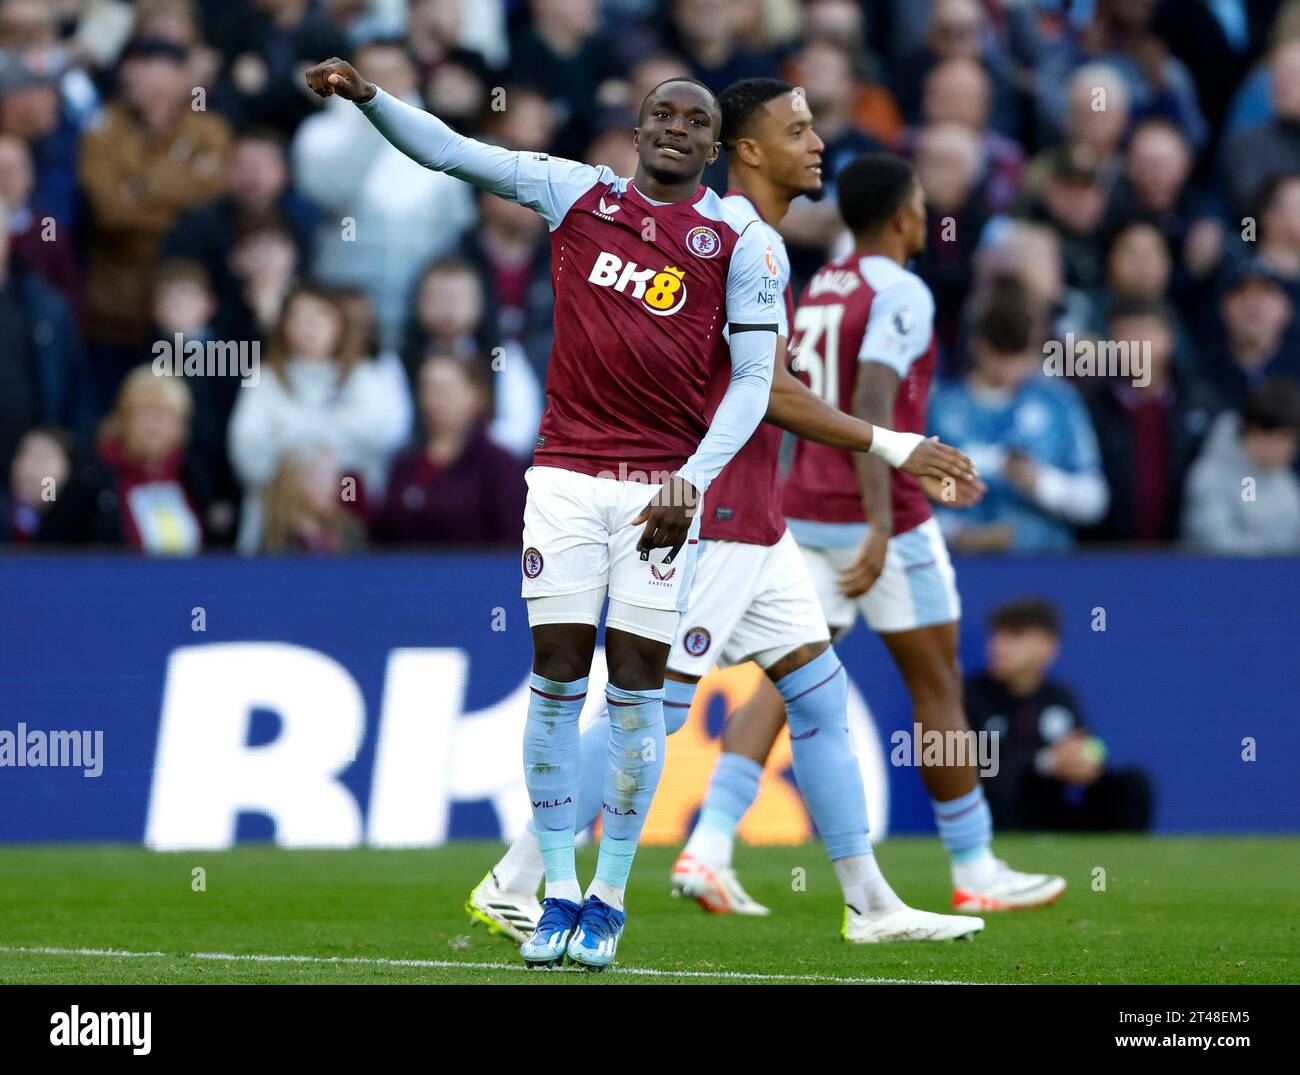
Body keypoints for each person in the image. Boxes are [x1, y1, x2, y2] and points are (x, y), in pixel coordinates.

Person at [466, 81, 982, 949]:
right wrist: (894, 446)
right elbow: (771, 391)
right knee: (649, 711)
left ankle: (869, 900)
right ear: (745, 149)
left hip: (762, 513)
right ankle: (518, 876)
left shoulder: (764, 241)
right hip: (713, 509)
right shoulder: (738, 238)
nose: (818, 143)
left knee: (817, 692)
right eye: (798, 129)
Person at [303, 57, 784, 971]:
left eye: (694, 122)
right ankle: (556, 890)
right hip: (563, 477)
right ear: (638, 132)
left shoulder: (741, 243)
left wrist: (692, 479)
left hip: (658, 489)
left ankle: (610, 896)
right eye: (661, 116)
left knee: (639, 695)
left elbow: (755, 381)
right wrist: (371, 98)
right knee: (559, 674)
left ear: (716, 147)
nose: (676, 129)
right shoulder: (575, 194)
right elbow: (450, 151)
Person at [681, 153, 1066, 916]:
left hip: (804, 506)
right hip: (875, 517)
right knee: (938, 686)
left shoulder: (823, 281)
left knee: (786, 680)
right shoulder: (903, 289)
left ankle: (710, 843)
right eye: (921, 201)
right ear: (901, 215)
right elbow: (872, 393)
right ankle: (975, 865)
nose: (925, 216)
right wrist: (885, 520)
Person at [227, 284, 406, 553]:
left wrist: (288, 432)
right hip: (273, 530)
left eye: (319, 317)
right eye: (297, 318)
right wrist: (336, 430)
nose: (307, 327)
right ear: (284, 326)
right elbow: (248, 456)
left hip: (352, 525)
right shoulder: (262, 378)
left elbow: (386, 433)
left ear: (340, 325)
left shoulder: (366, 376)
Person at [965, 597, 1154, 832]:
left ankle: (1125, 859)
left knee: (1134, 783)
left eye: (1015, 636)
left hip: (1058, 812)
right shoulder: (971, 696)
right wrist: (1047, 762)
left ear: (1048, 646)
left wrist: (1088, 760)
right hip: (1007, 818)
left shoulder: (1060, 696)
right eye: (996, 635)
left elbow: (1086, 744)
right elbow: (978, 769)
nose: (998, 646)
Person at [35, 366, 205, 553]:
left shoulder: (191, 477)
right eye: (147, 413)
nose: (155, 426)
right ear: (125, 418)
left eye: (166, 416)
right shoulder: (92, 479)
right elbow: (51, 550)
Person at [373, 352, 526, 548]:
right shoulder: (404, 462)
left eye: (443, 390)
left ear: (476, 396)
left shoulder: (500, 467)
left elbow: (513, 544)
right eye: (426, 388)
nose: (432, 401)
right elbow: (382, 538)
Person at [1182, 378, 1300, 554]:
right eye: (1285, 437)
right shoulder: (1209, 476)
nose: (1291, 449)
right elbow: (1214, 544)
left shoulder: (1285, 480)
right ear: (1255, 431)